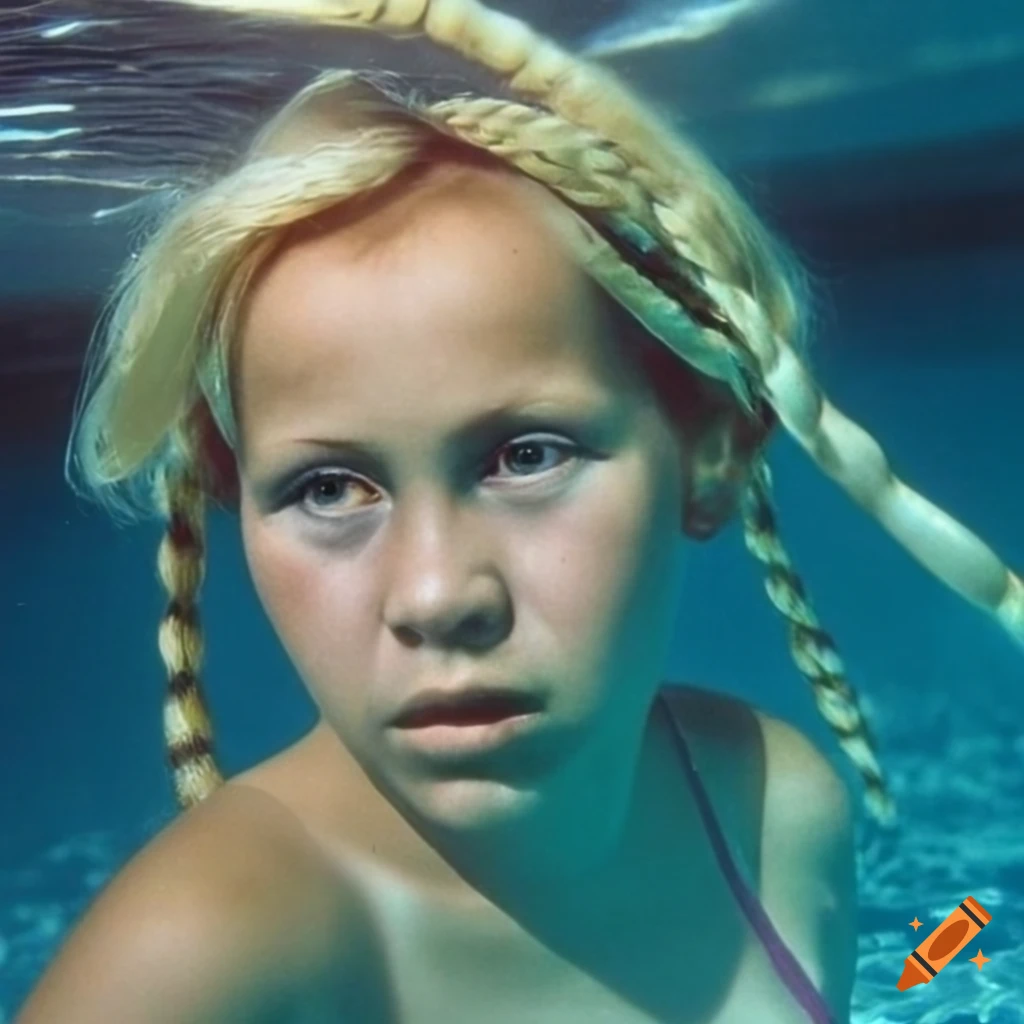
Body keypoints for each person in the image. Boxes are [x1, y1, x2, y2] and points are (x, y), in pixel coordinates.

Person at [16, 2, 1023, 1023]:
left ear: (710, 451)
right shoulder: (186, 971)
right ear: (236, 504)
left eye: (524, 456)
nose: (437, 593)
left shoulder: (777, 806)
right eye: (328, 488)